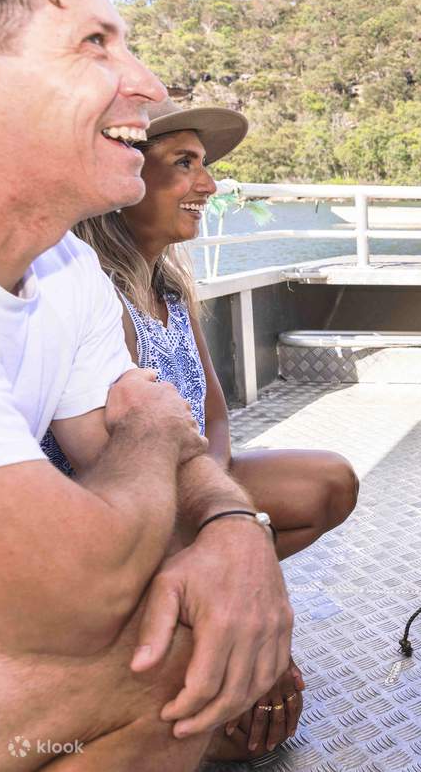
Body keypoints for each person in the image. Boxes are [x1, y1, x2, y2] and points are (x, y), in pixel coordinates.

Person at [0, 0, 296, 769]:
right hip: (44, 595)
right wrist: (156, 437)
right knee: (172, 661)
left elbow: (163, 430)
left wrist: (237, 531)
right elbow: (81, 589)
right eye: (94, 42)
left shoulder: (59, 264)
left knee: (183, 649)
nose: (147, 83)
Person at [41, 97, 360, 759]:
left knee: (328, 482)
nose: (209, 185)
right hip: (112, 517)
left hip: (187, 482)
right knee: (233, 738)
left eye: (205, 166)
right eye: (183, 164)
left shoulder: (171, 286)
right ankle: (183, 635)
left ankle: (212, 606)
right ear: (124, 179)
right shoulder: (96, 295)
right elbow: (113, 464)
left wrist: (229, 522)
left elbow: (215, 415)